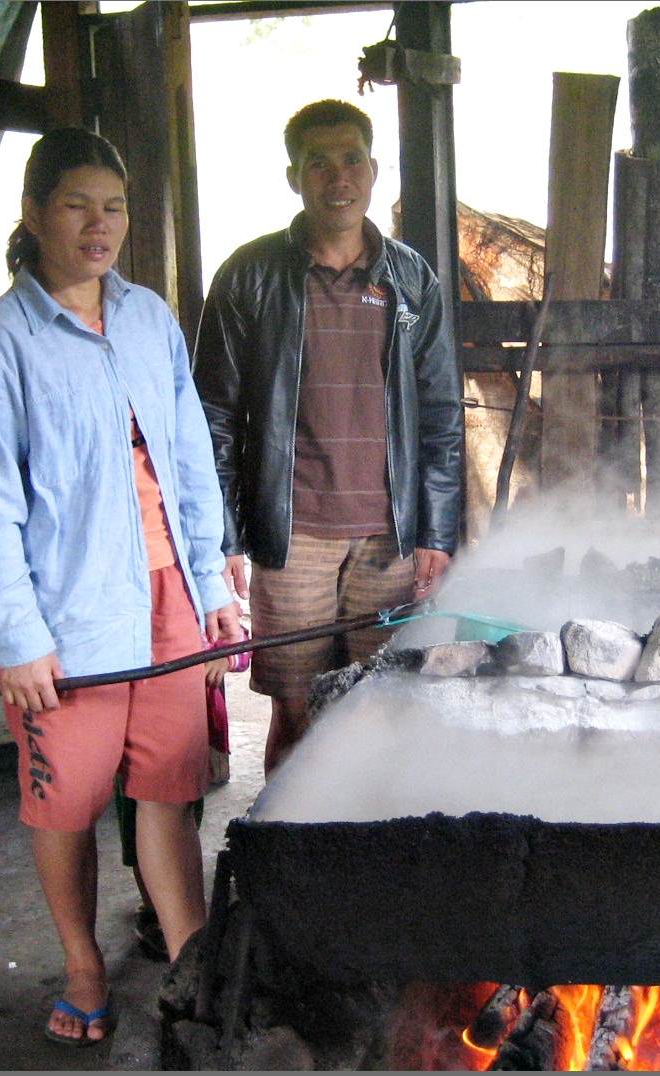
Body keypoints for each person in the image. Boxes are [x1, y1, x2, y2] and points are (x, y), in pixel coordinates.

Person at [0, 128, 243, 1046]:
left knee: (169, 791)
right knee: (65, 802)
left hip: (169, 603)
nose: (99, 224)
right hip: (68, 619)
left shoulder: (149, 318)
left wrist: (210, 581)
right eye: (77, 205)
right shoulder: (1, 343)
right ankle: (83, 967)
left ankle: (189, 968)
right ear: (35, 216)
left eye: (113, 206)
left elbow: (189, 457)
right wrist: (17, 637)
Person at [192, 98, 464, 773]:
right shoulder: (251, 276)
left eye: (351, 161)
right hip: (294, 539)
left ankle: (371, 851)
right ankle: (288, 859)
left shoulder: (410, 278)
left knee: (385, 701)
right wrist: (225, 536)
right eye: (319, 164)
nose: (337, 177)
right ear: (295, 177)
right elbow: (212, 416)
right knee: (296, 708)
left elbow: (440, 412)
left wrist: (438, 531)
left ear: (373, 171)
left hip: (390, 539)